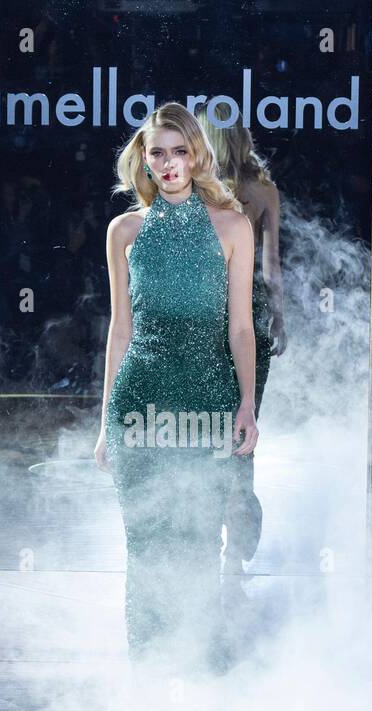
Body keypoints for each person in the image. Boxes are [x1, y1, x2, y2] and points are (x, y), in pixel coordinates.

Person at [94, 103, 258, 672]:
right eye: (156, 152)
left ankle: (202, 676)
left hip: (208, 400)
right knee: (144, 546)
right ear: (143, 158)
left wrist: (247, 404)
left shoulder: (233, 227)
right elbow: (120, 330)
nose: (168, 163)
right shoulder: (125, 231)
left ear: (197, 155)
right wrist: (103, 428)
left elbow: (241, 326)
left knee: (197, 547)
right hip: (138, 402)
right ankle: (148, 684)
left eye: (179, 151)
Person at [196, 102, 286, 573]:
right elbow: (270, 267)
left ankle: (215, 546)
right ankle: (234, 553)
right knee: (241, 429)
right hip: (250, 313)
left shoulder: (196, 192)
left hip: (208, 316)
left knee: (211, 431)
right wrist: (281, 319)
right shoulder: (262, 191)